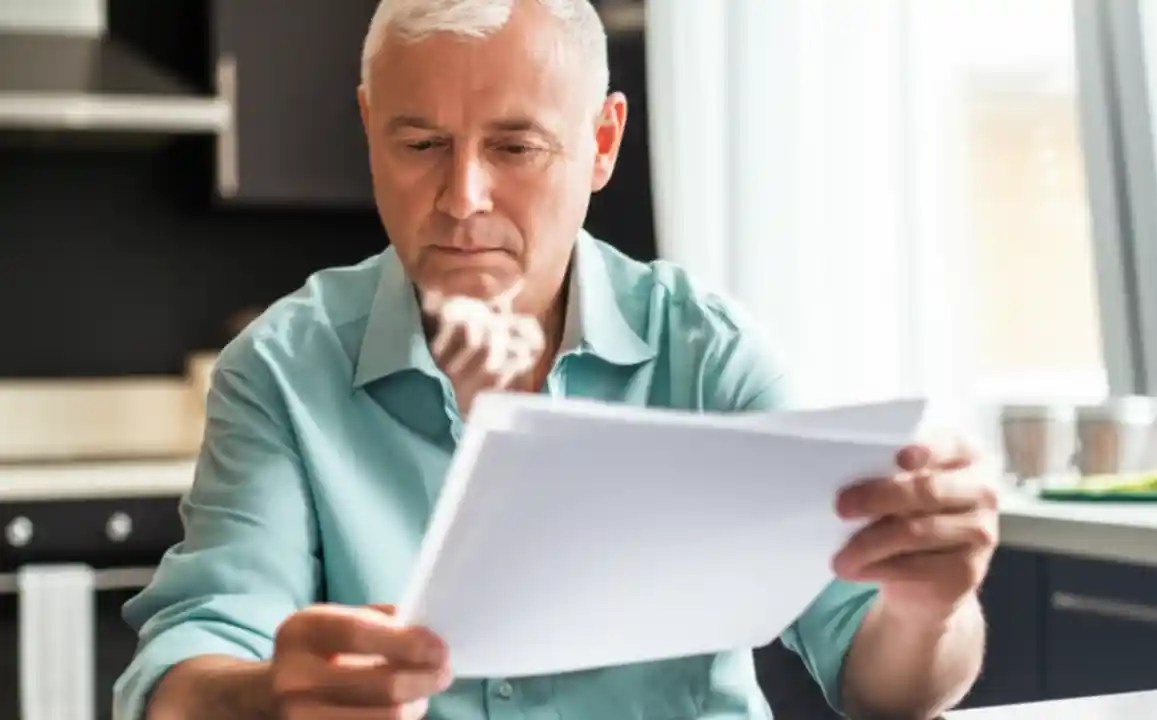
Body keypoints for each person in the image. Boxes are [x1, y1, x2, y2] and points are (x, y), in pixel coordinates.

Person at [114, 1, 999, 718]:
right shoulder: (278, 369)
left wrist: (932, 611)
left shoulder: (708, 358)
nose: (462, 199)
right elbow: (195, 656)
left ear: (602, 143)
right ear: (368, 125)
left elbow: (882, 685)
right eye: (420, 144)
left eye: (515, 147)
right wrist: (268, 696)